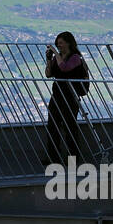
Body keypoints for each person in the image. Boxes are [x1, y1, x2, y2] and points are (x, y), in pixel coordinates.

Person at [42, 31, 90, 166]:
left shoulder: (75, 57)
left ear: (69, 43)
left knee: (70, 128)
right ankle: (53, 157)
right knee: (53, 126)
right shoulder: (57, 57)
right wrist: (48, 59)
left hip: (70, 96)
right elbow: (48, 74)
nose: (58, 46)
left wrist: (56, 54)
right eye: (57, 44)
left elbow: (64, 68)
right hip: (57, 95)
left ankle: (72, 159)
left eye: (61, 43)